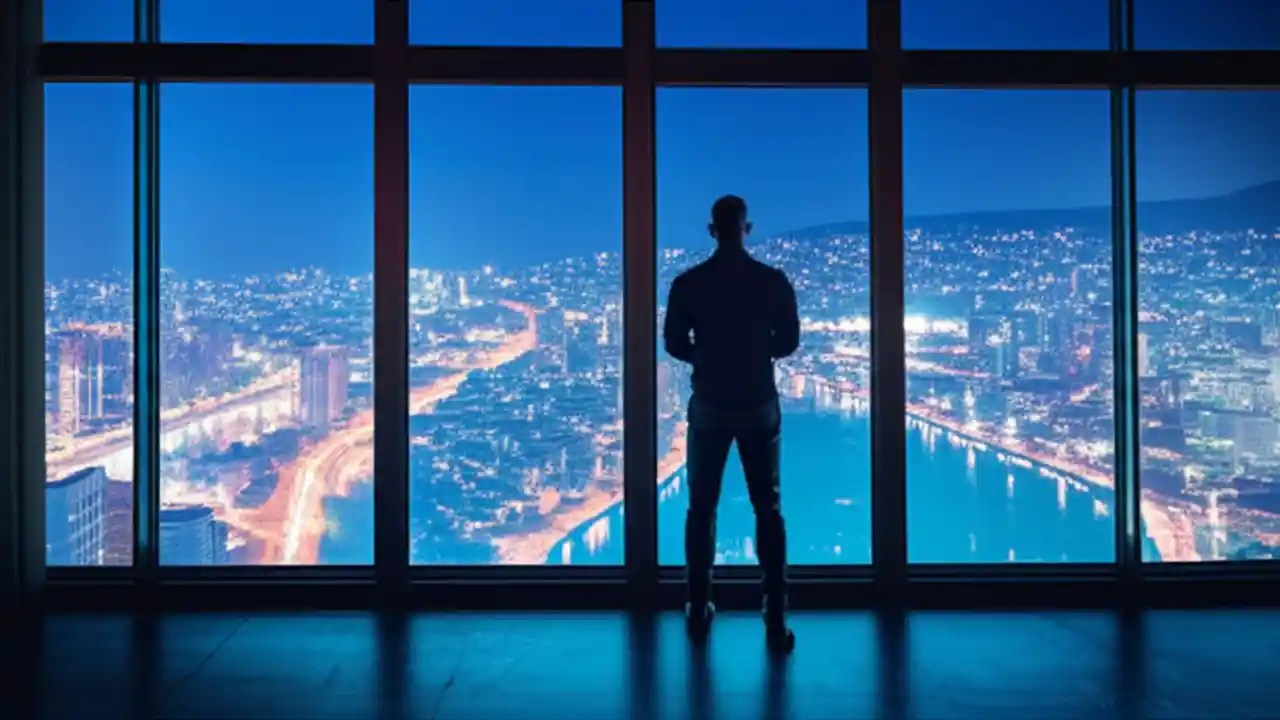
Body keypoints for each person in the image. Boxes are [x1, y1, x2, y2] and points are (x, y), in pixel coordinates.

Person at [663, 194, 800, 653]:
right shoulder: (773, 282)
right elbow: (790, 341)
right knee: (769, 508)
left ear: (711, 229)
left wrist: (710, 354)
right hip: (758, 400)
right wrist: (755, 350)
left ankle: (699, 607)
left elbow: (674, 343)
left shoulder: (689, 284)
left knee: (701, 508)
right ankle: (775, 612)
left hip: (711, 403)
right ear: (747, 228)